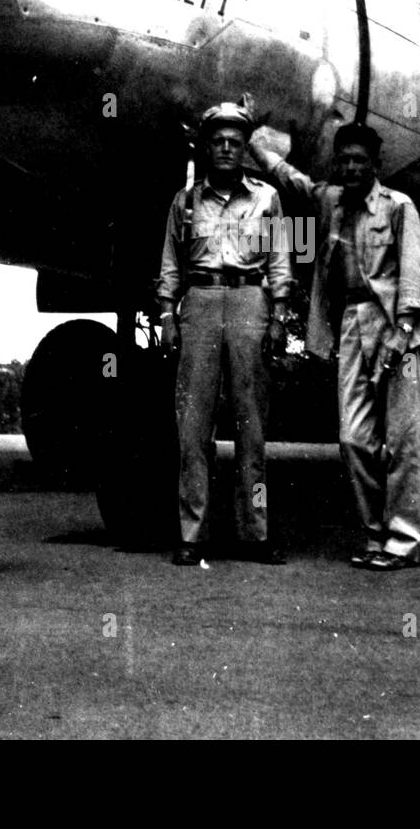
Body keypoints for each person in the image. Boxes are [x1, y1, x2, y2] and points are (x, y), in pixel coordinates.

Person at [251, 122, 420, 570]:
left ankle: (402, 541)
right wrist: (255, 140)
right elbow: (290, 179)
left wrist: (402, 332)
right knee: (353, 438)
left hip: (396, 326)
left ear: (376, 165)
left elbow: (413, 275)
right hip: (352, 324)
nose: (351, 168)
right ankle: (374, 532)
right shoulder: (329, 200)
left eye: (360, 161)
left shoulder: (399, 207)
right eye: (344, 160)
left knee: (405, 439)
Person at [157, 101, 292, 566]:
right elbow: (170, 265)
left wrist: (277, 317)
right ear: (207, 147)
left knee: (252, 427)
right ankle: (193, 535)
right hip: (200, 302)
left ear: (245, 149)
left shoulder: (266, 198)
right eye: (219, 141)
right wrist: (168, 316)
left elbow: (280, 262)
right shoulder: (185, 201)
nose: (227, 148)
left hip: (249, 302)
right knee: (193, 427)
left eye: (236, 141)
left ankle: (255, 534)